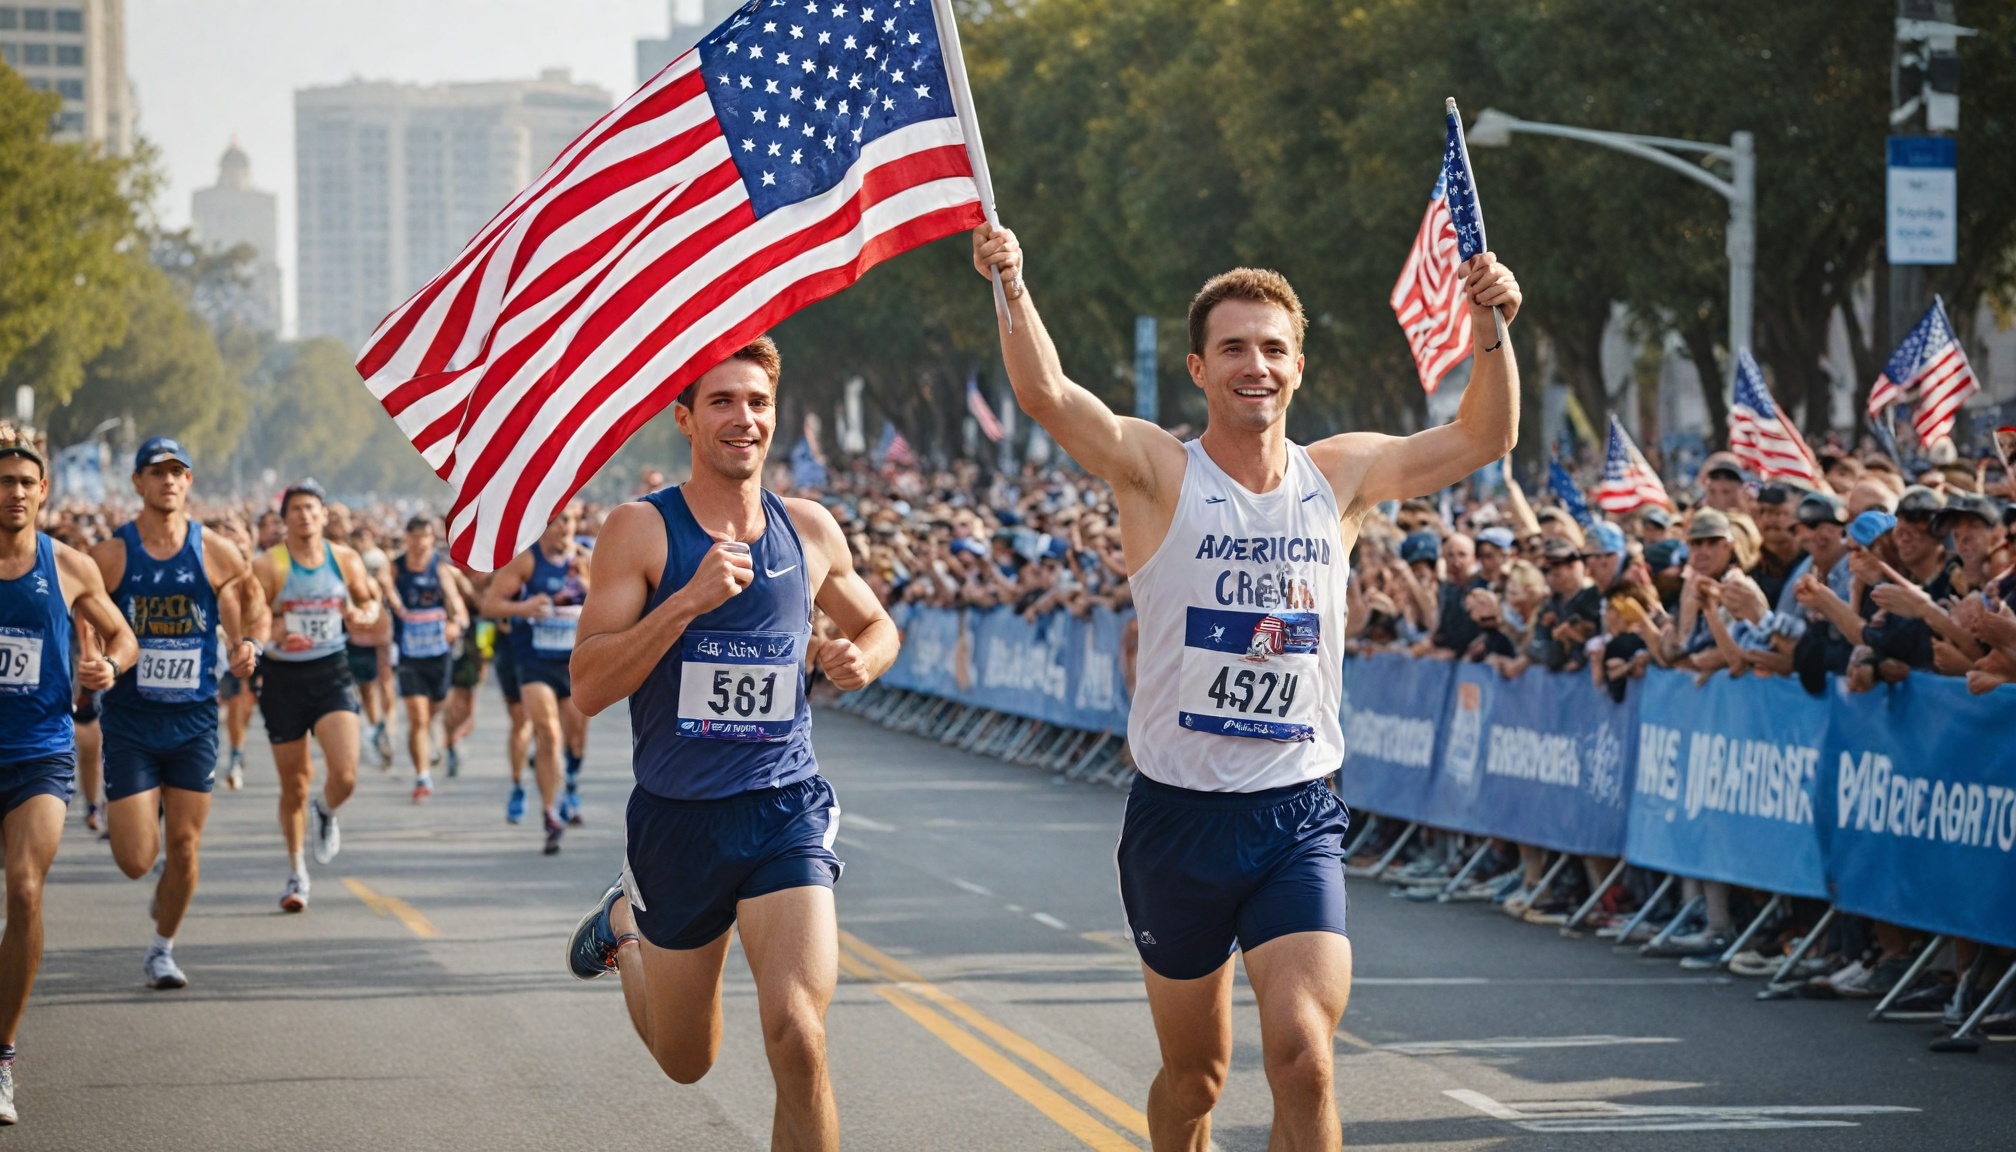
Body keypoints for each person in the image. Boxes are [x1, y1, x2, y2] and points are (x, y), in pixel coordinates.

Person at [969, 225, 1521, 1150]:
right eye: (1233, 349)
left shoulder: (1341, 476)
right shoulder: (1157, 473)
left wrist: (1492, 321)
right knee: (1197, 1078)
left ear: (1298, 366)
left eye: (1272, 349)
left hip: (1294, 815)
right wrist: (1011, 285)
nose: (1253, 366)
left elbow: (1487, 432)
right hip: (1177, 824)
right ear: (1199, 367)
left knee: (1304, 1056)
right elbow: (1048, 395)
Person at [562, 337, 898, 1152]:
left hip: (782, 806)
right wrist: (685, 602)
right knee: (686, 1061)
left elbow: (879, 624)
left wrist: (861, 659)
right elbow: (590, 685)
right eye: (721, 402)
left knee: (797, 1033)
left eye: (756, 402)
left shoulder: (809, 528)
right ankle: (624, 924)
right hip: (678, 821)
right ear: (684, 419)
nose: (742, 419)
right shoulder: (640, 531)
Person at [90, 437, 266, 989]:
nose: (168, 480)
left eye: (178, 472)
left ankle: (162, 950)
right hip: (131, 723)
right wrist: (93, 659)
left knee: (186, 848)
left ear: (189, 483)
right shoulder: (113, 555)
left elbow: (252, 606)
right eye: (157, 472)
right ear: (138, 483)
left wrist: (248, 647)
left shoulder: (216, 551)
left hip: (193, 721)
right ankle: (158, 874)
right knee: (136, 860)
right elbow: (82, 614)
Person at [0, 435, 136, 1125]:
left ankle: (1, 1055)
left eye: (26, 481)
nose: (15, 492)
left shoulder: (71, 564)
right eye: (4, 481)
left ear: (44, 491)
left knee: (24, 890)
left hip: (39, 751)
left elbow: (125, 636)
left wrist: (109, 666)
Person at [249, 480, 382, 911]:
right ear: (283, 518)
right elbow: (252, 624)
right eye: (296, 509)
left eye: (312, 508)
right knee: (294, 783)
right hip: (283, 679)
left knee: (345, 775)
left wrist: (365, 612)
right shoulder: (269, 565)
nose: (305, 515)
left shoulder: (344, 559)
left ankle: (324, 810)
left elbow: (369, 599)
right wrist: (278, 631)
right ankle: (296, 873)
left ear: (324, 515)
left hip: (331, 673)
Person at [482, 507, 591, 854]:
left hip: (575, 664)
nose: (563, 529)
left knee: (576, 740)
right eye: (556, 522)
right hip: (533, 661)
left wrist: (587, 591)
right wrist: (524, 607)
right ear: (543, 527)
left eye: (568, 522)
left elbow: (612, 602)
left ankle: (569, 781)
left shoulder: (588, 560)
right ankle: (551, 812)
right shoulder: (527, 562)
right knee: (548, 732)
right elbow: (490, 605)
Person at [378, 516, 468, 803]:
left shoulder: (440, 569)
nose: (419, 543)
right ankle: (422, 777)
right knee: (417, 717)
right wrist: (387, 596)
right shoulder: (395, 568)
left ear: (432, 539)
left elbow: (458, 608)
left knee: (436, 711)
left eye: (425, 537)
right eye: (414, 537)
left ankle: (439, 739)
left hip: (438, 654)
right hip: (408, 655)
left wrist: (455, 624)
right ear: (406, 539)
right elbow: (381, 592)